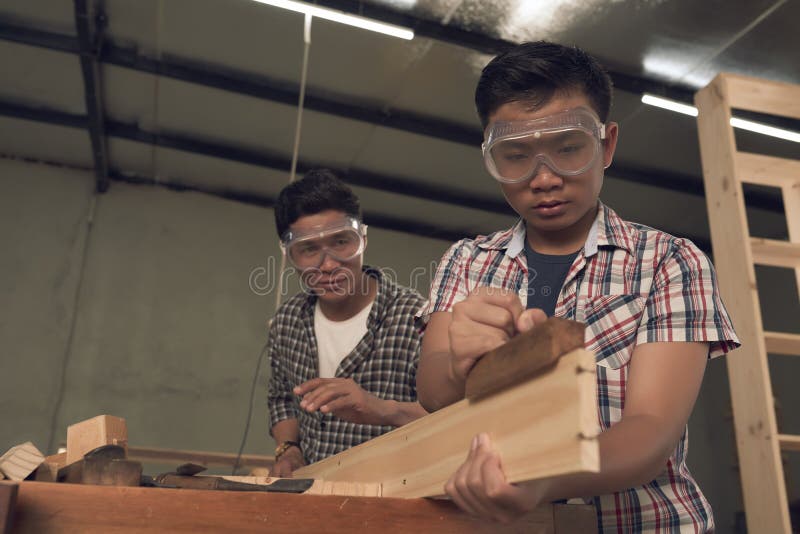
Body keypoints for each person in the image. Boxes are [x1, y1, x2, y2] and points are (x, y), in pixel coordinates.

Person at [416, 41, 739, 532]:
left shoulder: (669, 261)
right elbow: (433, 391)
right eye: (515, 156)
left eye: (568, 149)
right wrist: (462, 368)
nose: (544, 178)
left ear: (606, 145)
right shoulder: (466, 261)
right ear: (491, 154)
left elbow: (651, 430)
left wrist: (542, 480)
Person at [267, 168, 427, 477]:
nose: (327, 265)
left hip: (392, 501)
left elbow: (450, 418)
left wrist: (380, 409)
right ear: (289, 254)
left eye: (341, 242)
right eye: (309, 249)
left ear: (363, 238)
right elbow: (281, 398)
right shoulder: (287, 322)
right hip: (311, 499)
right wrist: (289, 449)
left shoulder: (416, 317)